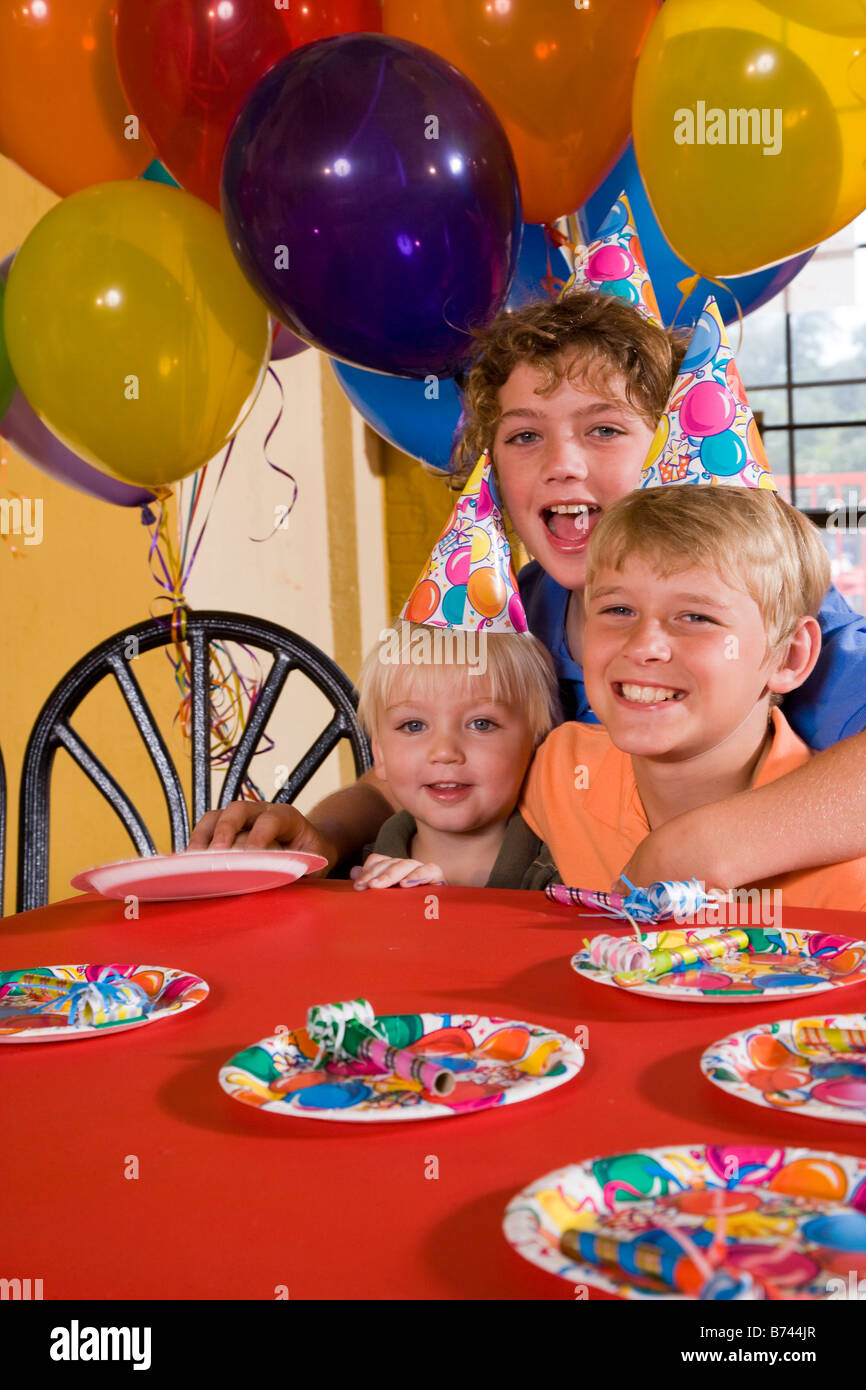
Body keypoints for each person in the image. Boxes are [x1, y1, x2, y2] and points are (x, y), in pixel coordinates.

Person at [189, 289, 866, 891]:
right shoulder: (513, 608)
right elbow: (418, 764)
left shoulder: (766, 610)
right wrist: (321, 832)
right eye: (523, 436)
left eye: (604, 429)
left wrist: (699, 846)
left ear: (670, 446)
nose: (562, 464)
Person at [520, 483, 866, 908]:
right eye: (618, 610)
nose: (644, 645)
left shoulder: (849, 879)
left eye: (696, 617)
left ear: (789, 657)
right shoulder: (559, 767)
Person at [349, 621, 560, 889]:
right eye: (413, 725)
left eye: (481, 724)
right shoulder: (350, 873)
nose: (445, 752)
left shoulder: (567, 878)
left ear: (536, 745)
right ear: (379, 754)